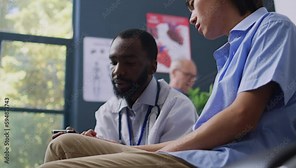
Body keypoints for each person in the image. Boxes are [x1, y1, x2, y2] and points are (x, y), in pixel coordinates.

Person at [39, 0, 296, 167]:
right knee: (63, 144)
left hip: (226, 161)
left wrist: (146, 154)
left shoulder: (273, 27)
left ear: (152, 66)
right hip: (193, 156)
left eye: (191, 3)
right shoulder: (229, 56)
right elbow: (192, 140)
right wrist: (125, 151)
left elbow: (243, 117)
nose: (191, 17)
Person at [52, 29, 198, 146]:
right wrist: (88, 145)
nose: (117, 71)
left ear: (152, 67)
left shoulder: (178, 108)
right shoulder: (107, 111)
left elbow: (171, 163)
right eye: (114, 62)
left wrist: (107, 149)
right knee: (62, 144)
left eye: (129, 63)